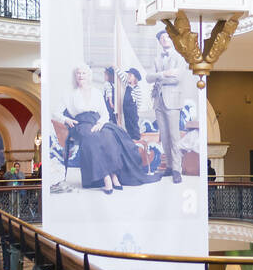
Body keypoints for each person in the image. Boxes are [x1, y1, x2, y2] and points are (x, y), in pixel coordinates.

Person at [59, 63, 158, 193]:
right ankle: (106, 177)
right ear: (75, 76)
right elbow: (55, 112)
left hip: (97, 121)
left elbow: (104, 114)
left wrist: (100, 124)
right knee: (91, 137)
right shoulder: (70, 94)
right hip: (81, 124)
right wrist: (66, 119)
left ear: (89, 76)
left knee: (109, 135)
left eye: (84, 73)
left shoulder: (96, 92)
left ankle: (114, 174)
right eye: (78, 73)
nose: (81, 75)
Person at [147, 30, 186, 184]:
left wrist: (159, 77)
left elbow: (177, 78)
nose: (164, 39)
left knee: (174, 136)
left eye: (167, 37)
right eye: (161, 38)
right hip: (159, 101)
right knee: (164, 137)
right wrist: (164, 74)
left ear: (172, 39)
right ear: (159, 42)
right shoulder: (157, 59)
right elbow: (148, 77)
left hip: (173, 101)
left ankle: (177, 169)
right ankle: (169, 166)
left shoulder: (179, 57)